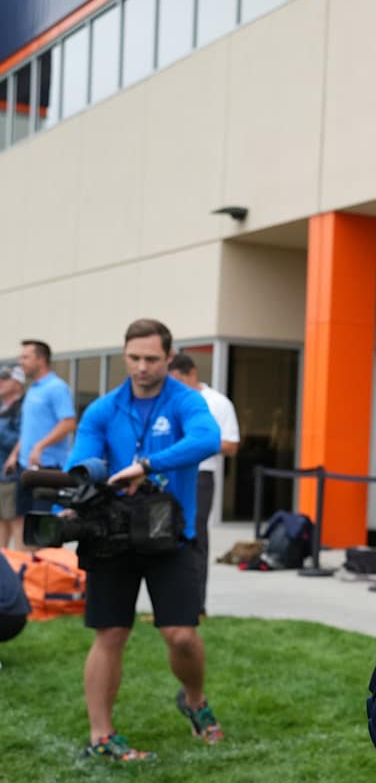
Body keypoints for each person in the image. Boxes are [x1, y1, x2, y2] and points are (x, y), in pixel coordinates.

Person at [67, 319, 222, 762]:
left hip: (170, 535)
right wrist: (83, 492)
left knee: (181, 636)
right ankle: (101, 736)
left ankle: (193, 700)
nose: (141, 367)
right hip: (113, 538)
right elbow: (82, 459)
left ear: (169, 358)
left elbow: (206, 438)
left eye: (152, 359)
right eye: (134, 358)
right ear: (125, 354)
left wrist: (147, 465)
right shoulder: (104, 408)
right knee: (109, 634)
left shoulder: (185, 401)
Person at [167, 353, 240, 615]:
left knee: (194, 538)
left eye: (176, 380)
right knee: (166, 538)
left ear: (192, 374)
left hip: (200, 476)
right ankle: (168, 605)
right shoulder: (170, 400)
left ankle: (196, 606)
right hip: (169, 474)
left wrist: (194, 445)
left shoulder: (218, 403)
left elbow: (231, 444)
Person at [5, 340, 76, 521]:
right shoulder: (33, 390)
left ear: (41, 360)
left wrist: (40, 447)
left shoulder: (56, 387)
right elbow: (29, 429)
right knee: (24, 524)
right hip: (25, 468)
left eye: (26, 357)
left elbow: (68, 423)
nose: (21, 361)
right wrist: (14, 455)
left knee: (42, 526)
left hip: (47, 470)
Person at [0, 364, 26, 550]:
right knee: (1, 522)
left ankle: (20, 571)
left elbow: (26, 437)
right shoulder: (3, 408)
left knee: (15, 521)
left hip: (11, 475)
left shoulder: (24, 408)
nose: (0, 382)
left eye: (5, 378)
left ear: (18, 382)